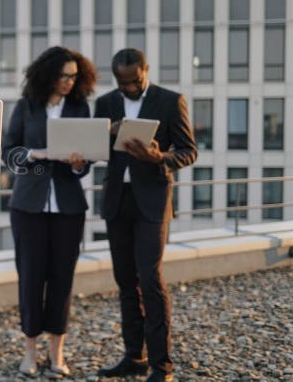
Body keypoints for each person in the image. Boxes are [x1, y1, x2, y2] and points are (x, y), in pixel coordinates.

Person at [94, 48, 196, 382]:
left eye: (134, 81)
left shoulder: (170, 101)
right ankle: (134, 357)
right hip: (116, 201)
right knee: (125, 282)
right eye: (122, 83)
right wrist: (105, 135)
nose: (129, 88)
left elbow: (189, 151)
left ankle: (162, 366)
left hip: (152, 202)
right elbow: (97, 150)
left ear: (146, 71)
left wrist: (160, 157)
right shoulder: (107, 103)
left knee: (151, 280)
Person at [1, 46, 97, 378]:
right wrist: (35, 154)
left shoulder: (80, 108)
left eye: (74, 76)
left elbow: (87, 163)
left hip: (69, 207)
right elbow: (7, 152)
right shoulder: (26, 107)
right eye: (63, 76)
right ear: (48, 75)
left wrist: (79, 163)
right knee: (30, 277)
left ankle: (57, 353)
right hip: (28, 205)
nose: (69, 81)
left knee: (62, 279)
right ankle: (30, 352)